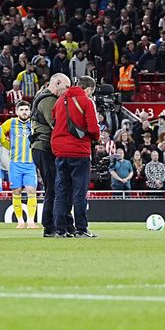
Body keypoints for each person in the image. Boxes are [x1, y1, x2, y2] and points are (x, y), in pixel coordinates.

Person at [51, 75, 100, 238]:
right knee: (79, 192)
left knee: (61, 192)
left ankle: (60, 229)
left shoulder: (59, 101)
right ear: (88, 89)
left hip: (59, 151)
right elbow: (93, 128)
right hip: (79, 151)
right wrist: (96, 138)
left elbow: (54, 120)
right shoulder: (87, 102)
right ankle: (81, 228)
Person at [32, 74, 71, 237]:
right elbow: (56, 124)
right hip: (44, 148)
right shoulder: (48, 100)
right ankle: (50, 226)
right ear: (57, 83)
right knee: (53, 189)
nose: (67, 92)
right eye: (66, 87)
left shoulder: (42, 97)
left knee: (54, 188)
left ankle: (56, 224)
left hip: (43, 147)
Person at [2, 101, 39, 229]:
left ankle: (30, 221)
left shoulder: (33, 124)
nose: (24, 112)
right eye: (21, 109)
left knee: (31, 190)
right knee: (16, 191)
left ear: (29, 111)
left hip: (30, 163)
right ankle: (20, 221)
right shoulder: (11, 123)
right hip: (15, 164)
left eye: (26, 109)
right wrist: (8, 146)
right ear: (17, 111)